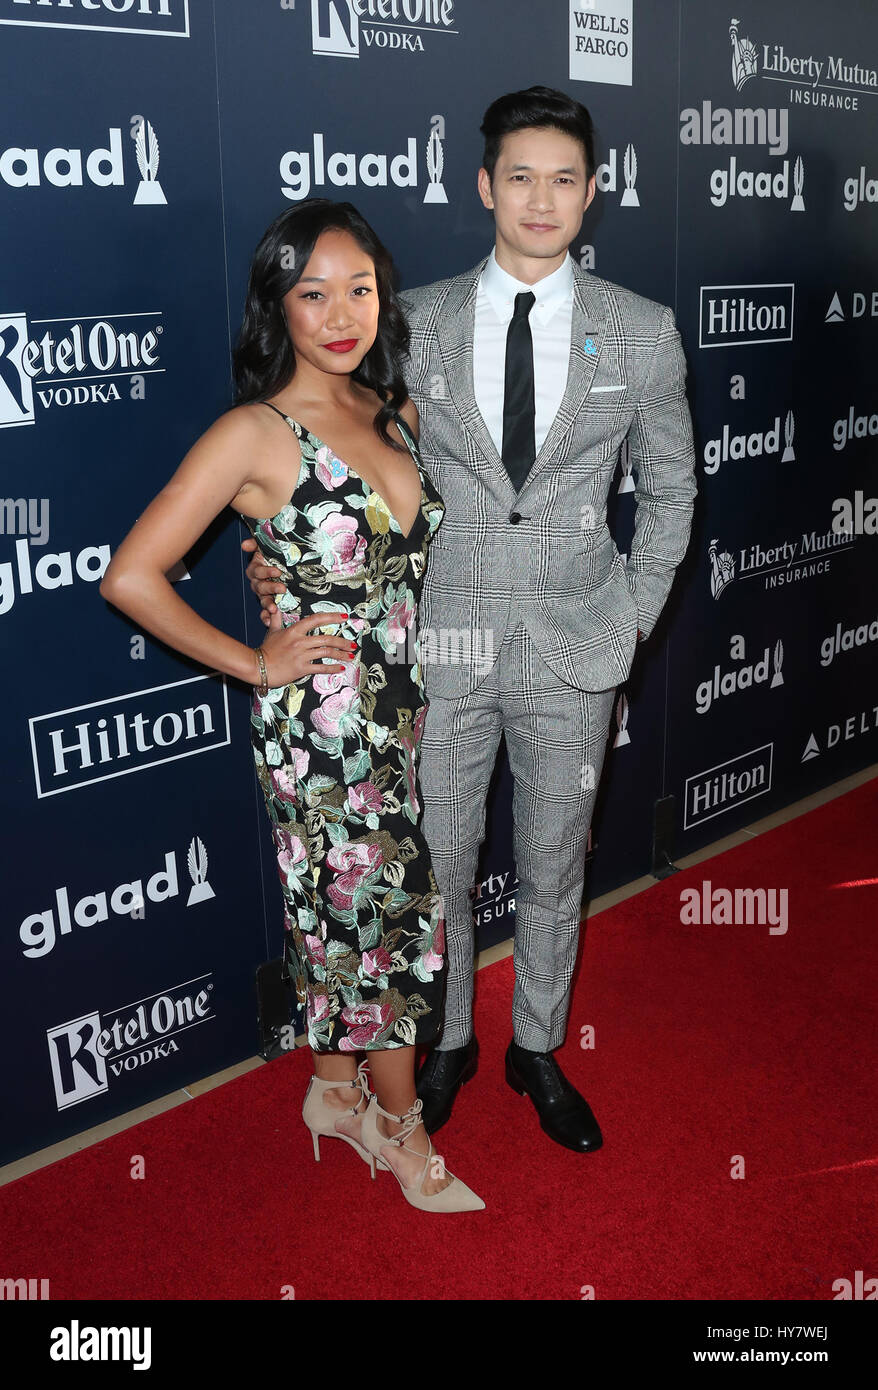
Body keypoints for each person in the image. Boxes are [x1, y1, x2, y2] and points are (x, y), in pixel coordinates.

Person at [244, 87, 697, 1156]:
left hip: (576, 644)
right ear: (485, 184)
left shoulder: (641, 332)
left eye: (564, 178)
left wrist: (627, 617)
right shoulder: (416, 320)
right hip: (435, 645)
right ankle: (440, 1044)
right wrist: (283, 567)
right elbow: (339, 454)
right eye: (520, 176)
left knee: (551, 863)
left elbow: (672, 491)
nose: (542, 199)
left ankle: (534, 1045)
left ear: (593, 192)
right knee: (433, 865)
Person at [99, 199, 484, 1213]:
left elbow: (377, 553)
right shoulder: (252, 433)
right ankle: (401, 1133)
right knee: (386, 923)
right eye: (312, 292)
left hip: (396, 712)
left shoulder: (389, 404)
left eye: (359, 287)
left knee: (341, 918)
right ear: (278, 306)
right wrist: (256, 664)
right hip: (322, 734)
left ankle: (329, 1089)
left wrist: (288, 569)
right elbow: (131, 575)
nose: (340, 311)